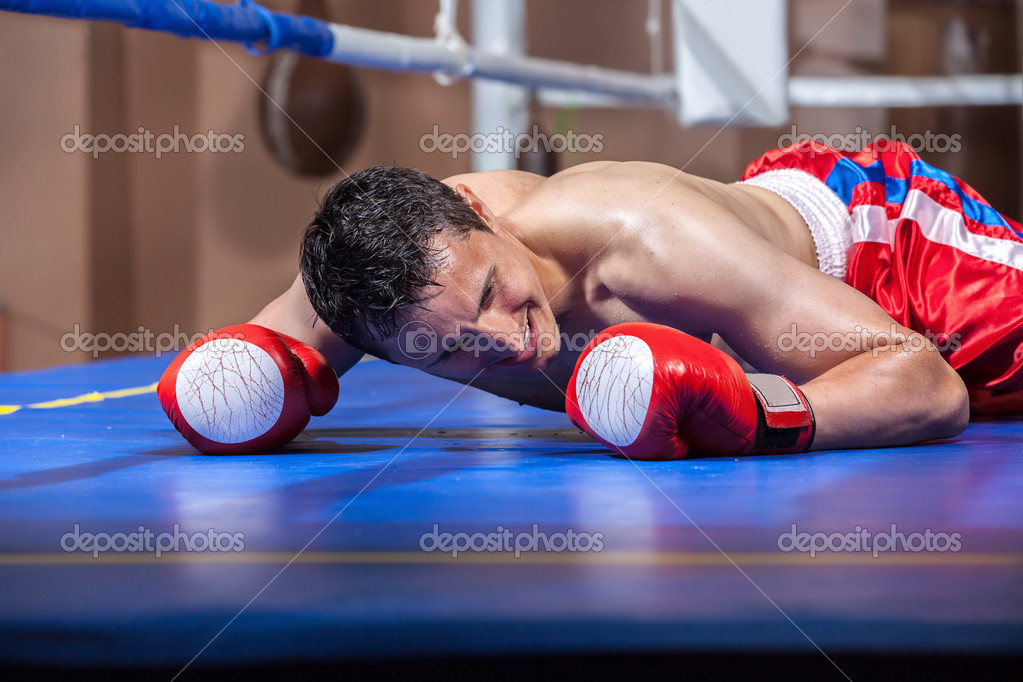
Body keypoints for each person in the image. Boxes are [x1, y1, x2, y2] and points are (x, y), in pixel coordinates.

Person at [161, 140, 1023, 457]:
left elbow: (926, 383)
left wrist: (759, 413)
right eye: (453, 347)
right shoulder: (380, 290)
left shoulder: (639, 241)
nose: (507, 342)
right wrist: (237, 386)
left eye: (498, 292)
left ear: (482, 210)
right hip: (747, 278)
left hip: (888, 247)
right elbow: (248, 365)